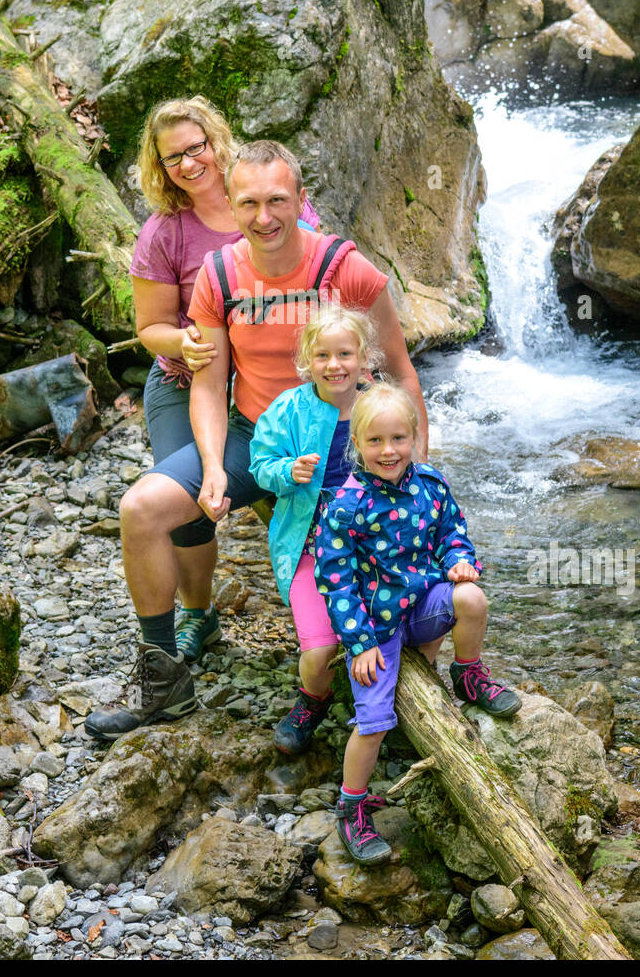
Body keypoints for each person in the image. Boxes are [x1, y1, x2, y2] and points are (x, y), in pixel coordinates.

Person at [85, 140, 428, 741]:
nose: (264, 217)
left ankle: (405, 669)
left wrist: (416, 474)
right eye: (249, 203)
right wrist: (214, 467)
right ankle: (164, 680)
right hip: (255, 437)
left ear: (300, 199)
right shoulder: (219, 275)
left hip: (351, 441)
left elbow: (399, 372)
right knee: (140, 509)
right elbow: (208, 383)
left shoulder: (345, 269)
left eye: (277, 201)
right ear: (233, 205)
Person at [128, 96, 320, 665]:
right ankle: (196, 615)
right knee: (184, 509)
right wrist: (182, 341)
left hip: (268, 387)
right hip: (188, 380)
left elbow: (317, 273)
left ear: (216, 142)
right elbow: (149, 327)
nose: (188, 164)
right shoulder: (164, 233)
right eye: (172, 159)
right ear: (159, 168)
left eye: (196, 148)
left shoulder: (265, 201)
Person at [314, 382, 520, 866]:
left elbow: (453, 533)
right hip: (375, 626)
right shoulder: (345, 505)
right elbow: (335, 581)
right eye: (375, 441)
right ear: (357, 444)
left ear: (414, 437)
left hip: (422, 607)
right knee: (373, 720)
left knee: (472, 598)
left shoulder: (430, 484)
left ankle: (468, 673)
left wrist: (459, 561)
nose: (388, 451)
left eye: (399, 439)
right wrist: (361, 642)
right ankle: (352, 804)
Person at [249, 306, 381, 755]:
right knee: (320, 649)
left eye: (345, 353)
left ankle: (385, 702)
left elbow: (408, 461)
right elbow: (259, 467)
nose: (334, 365)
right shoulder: (290, 408)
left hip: (373, 546)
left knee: (401, 620)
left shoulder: (377, 405)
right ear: (307, 360)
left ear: (364, 358)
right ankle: (314, 699)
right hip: (311, 546)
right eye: (322, 355)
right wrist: (288, 470)